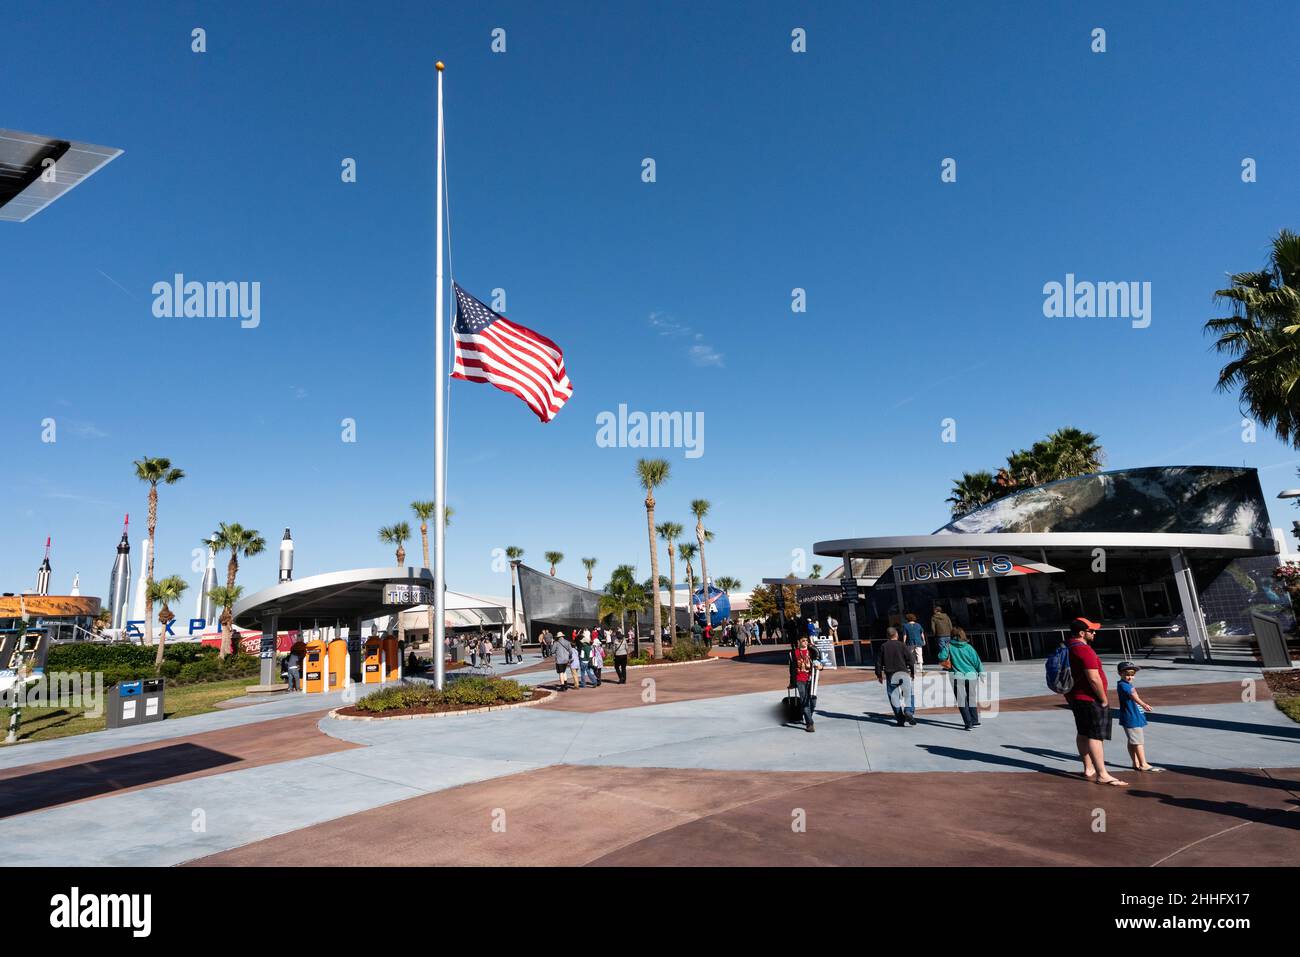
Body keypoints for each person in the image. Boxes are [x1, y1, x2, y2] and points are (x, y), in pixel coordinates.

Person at [1062, 618, 1127, 786]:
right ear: (1082, 633)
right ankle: (1102, 773)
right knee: (1095, 736)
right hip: (1090, 698)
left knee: (1083, 732)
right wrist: (1103, 699)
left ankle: (1088, 767)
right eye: (1092, 631)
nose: (1095, 633)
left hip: (1075, 697)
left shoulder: (1067, 646)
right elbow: (1094, 678)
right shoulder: (1084, 650)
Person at [1117, 661, 1163, 772]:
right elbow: (1133, 696)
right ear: (1120, 673)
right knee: (1138, 741)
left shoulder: (1125, 684)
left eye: (1132, 674)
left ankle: (1135, 762)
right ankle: (1143, 763)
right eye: (1127, 674)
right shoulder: (1124, 685)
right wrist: (1144, 704)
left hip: (1131, 716)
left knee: (1132, 741)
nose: (1130, 677)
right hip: (1132, 717)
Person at [937, 626, 983, 729]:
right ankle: (975, 720)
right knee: (971, 698)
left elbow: (941, 657)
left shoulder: (949, 646)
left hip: (957, 676)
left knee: (962, 700)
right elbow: (977, 661)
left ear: (952, 635)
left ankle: (968, 723)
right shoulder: (969, 647)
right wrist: (980, 673)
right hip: (971, 676)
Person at [874, 626, 916, 726]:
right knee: (908, 693)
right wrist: (913, 672)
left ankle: (900, 718)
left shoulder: (883, 646)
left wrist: (879, 675)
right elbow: (911, 660)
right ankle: (909, 711)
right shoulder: (902, 645)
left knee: (894, 697)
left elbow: (878, 662)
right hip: (903, 672)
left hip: (890, 674)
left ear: (887, 636)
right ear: (896, 634)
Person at [788, 635, 825, 732]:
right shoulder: (793, 653)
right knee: (805, 701)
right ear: (799, 641)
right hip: (799, 679)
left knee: (812, 701)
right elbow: (791, 669)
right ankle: (810, 724)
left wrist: (821, 667)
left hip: (811, 679)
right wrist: (792, 682)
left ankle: (807, 715)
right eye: (803, 640)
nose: (805, 642)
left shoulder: (812, 651)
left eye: (806, 641)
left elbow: (820, 663)